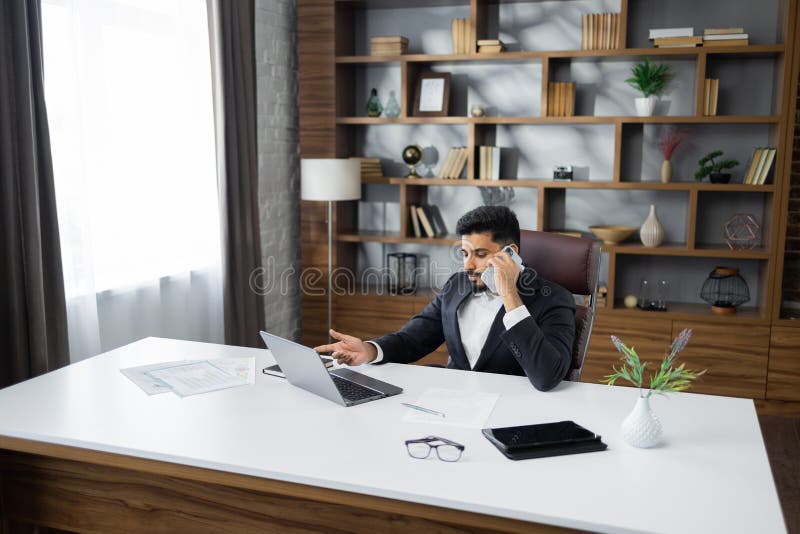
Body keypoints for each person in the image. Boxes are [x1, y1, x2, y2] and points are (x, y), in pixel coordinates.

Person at [314, 206, 576, 391]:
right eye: (464, 253)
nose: (468, 265)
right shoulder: (457, 286)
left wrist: (509, 294)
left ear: (510, 253)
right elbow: (413, 339)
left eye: (481, 254)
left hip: (512, 414)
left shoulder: (554, 300)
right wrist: (370, 350)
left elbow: (546, 377)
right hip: (452, 404)